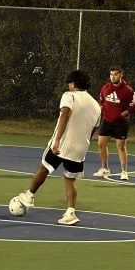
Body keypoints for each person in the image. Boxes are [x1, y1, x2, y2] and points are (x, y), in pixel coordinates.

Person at [14, 69, 101, 226]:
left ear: (73, 84)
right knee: (70, 179)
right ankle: (70, 213)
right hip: (80, 149)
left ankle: (29, 196)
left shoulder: (69, 96)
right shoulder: (96, 105)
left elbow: (64, 115)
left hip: (62, 145)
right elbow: (94, 128)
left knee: (44, 168)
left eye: (69, 84)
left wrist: (57, 141)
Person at [94, 65, 135, 180]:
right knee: (101, 144)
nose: (113, 77)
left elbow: (133, 107)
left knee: (121, 146)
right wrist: (102, 109)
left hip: (121, 123)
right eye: (111, 74)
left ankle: (124, 172)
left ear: (121, 76)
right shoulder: (105, 88)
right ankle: (104, 169)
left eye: (115, 74)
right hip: (106, 121)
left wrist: (121, 115)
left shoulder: (128, 90)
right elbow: (101, 101)